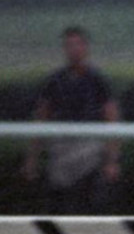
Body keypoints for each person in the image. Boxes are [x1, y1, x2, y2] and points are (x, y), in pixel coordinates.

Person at [22, 26, 121, 214]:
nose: (74, 49)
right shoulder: (54, 81)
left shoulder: (98, 80)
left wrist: (112, 160)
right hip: (61, 152)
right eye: (69, 45)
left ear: (86, 47)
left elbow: (112, 118)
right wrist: (32, 159)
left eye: (78, 44)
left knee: (90, 205)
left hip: (90, 151)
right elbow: (41, 117)